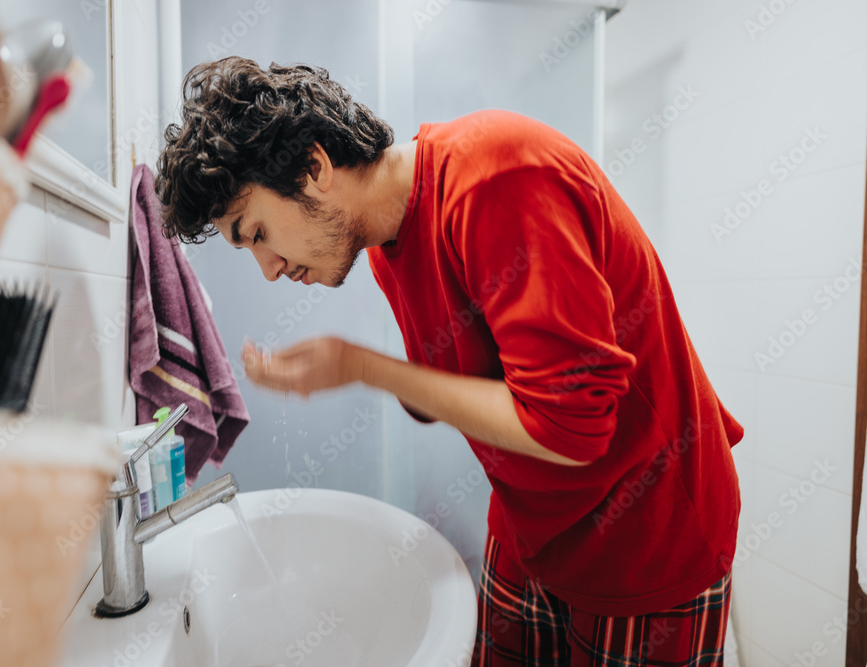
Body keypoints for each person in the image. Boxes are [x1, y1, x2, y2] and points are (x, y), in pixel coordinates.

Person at [155, 56, 742, 666]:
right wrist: (359, 371)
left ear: (315, 166)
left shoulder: (496, 175)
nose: (269, 269)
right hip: (531, 527)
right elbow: (463, 386)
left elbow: (571, 426)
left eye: (256, 234)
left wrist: (364, 368)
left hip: (645, 536)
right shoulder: (388, 245)